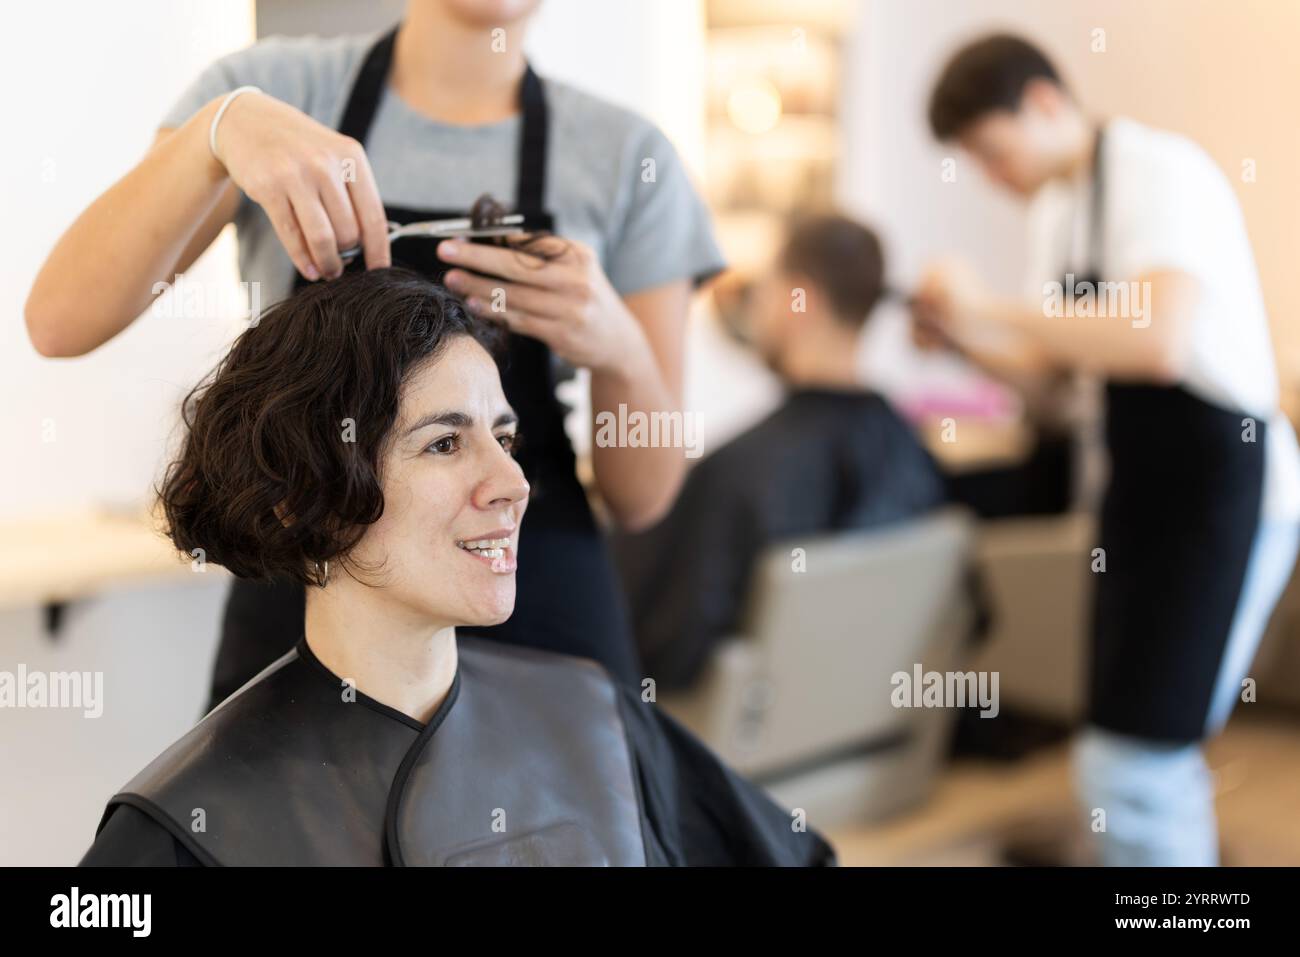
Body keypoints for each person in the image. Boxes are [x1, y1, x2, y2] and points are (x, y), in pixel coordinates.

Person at [25, 0, 724, 705]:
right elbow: (60, 322)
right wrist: (218, 130)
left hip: (535, 599)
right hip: (313, 595)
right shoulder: (276, 93)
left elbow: (644, 497)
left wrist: (622, 351)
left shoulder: (629, 155)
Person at [76, 269, 835, 867]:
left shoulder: (598, 721)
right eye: (444, 443)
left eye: (504, 437)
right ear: (305, 498)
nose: (511, 482)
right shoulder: (185, 826)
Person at [916, 34, 1300, 865]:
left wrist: (994, 307)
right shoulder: (1061, 212)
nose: (992, 176)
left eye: (993, 151)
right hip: (1141, 490)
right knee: (1124, 743)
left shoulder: (1161, 173)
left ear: (1046, 103)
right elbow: (1057, 392)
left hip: (1221, 484)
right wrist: (961, 339)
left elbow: (1156, 338)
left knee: (1140, 758)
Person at [615, 214, 948, 691]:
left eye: (766, 290)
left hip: (727, 734)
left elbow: (663, 645)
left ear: (800, 301)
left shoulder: (735, 471)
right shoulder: (908, 444)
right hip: (861, 718)